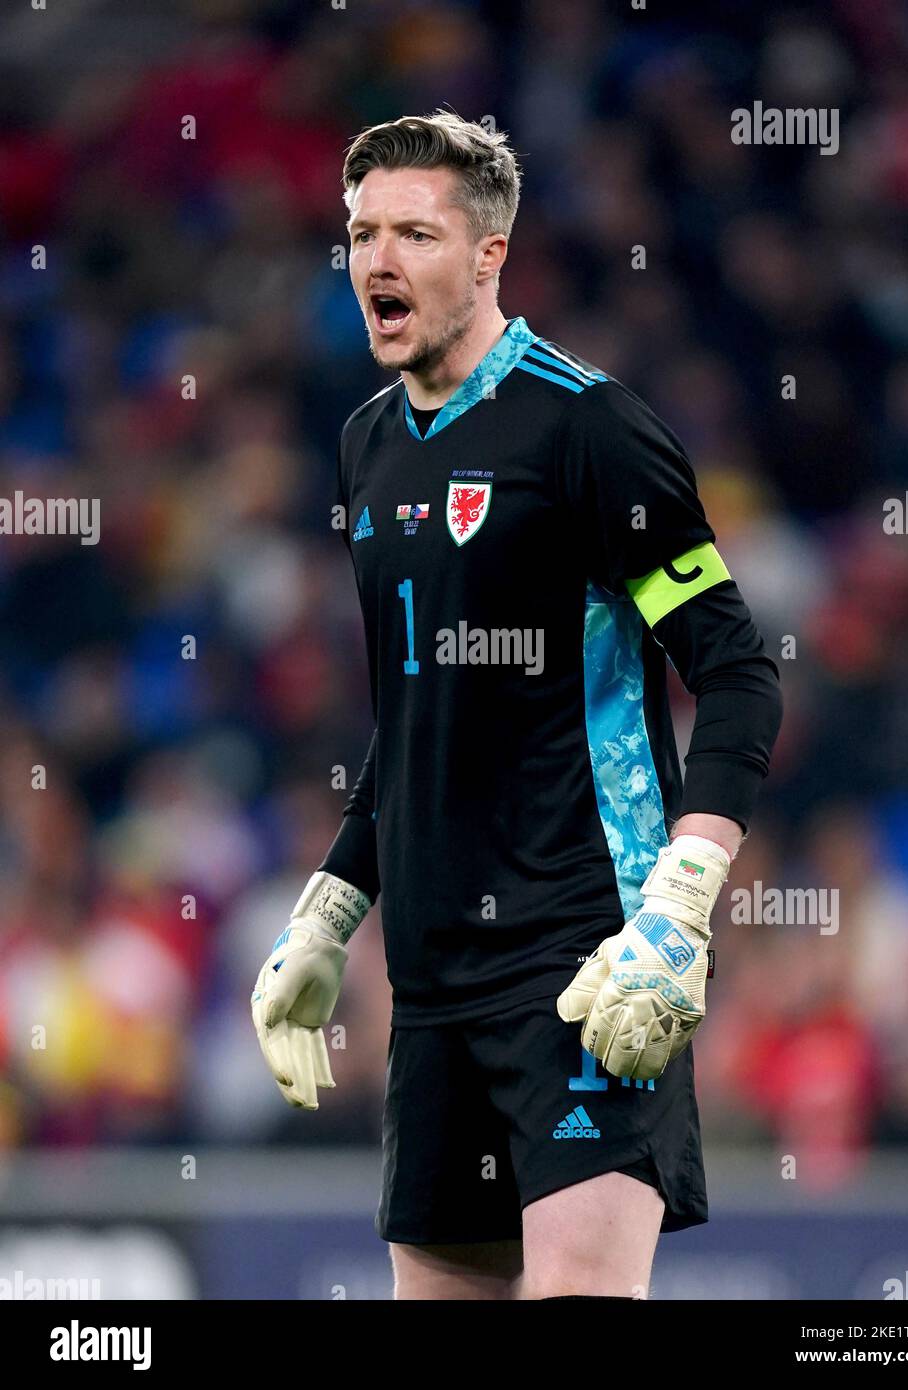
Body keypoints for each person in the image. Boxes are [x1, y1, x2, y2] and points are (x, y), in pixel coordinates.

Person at [252, 109, 782, 1301]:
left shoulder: (587, 427)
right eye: (360, 233)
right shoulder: (366, 450)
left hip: (585, 963)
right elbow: (415, 720)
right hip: (432, 988)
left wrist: (680, 909)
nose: (376, 261)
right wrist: (332, 913)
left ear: (488, 255)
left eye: (414, 234)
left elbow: (739, 672)